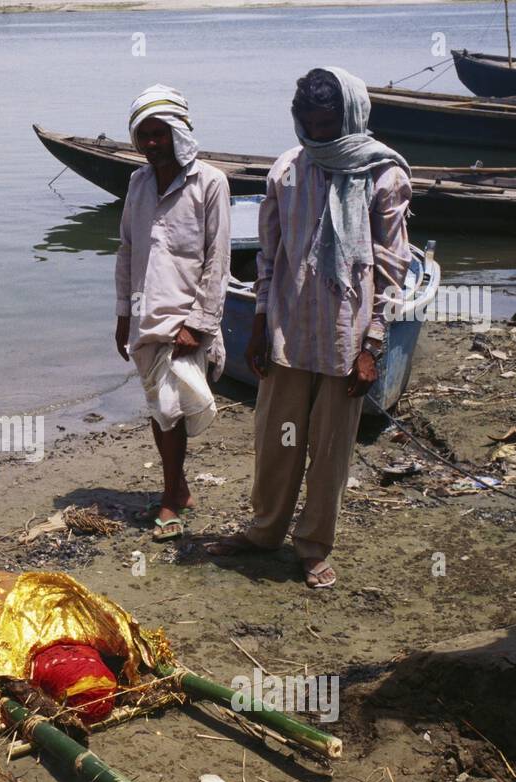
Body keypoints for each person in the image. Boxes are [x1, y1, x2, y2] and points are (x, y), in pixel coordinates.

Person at [207, 67, 412, 588]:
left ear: (350, 117)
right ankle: (264, 531)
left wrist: (373, 346)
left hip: (349, 337)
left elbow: (391, 268)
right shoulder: (286, 171)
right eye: (309, 124)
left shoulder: (383, 175)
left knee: (331, 448)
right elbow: (269, 258)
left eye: (328, 124)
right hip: (288, 332)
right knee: (276, 440)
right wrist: (257, 325)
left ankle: (314, 545)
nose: (319, 135)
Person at [115, 84, 230, 541]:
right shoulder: (137, 183)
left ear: (180, 132)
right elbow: (127, 250)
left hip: (185, 318)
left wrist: (199, 324)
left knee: (171, 409)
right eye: (143, 135)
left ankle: (169, 499)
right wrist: (122, 313)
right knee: (157, 406)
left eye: (159, 133)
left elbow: (217, 261)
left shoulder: (211, 184)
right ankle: (177, 486)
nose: (151, 143)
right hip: (145, 317)